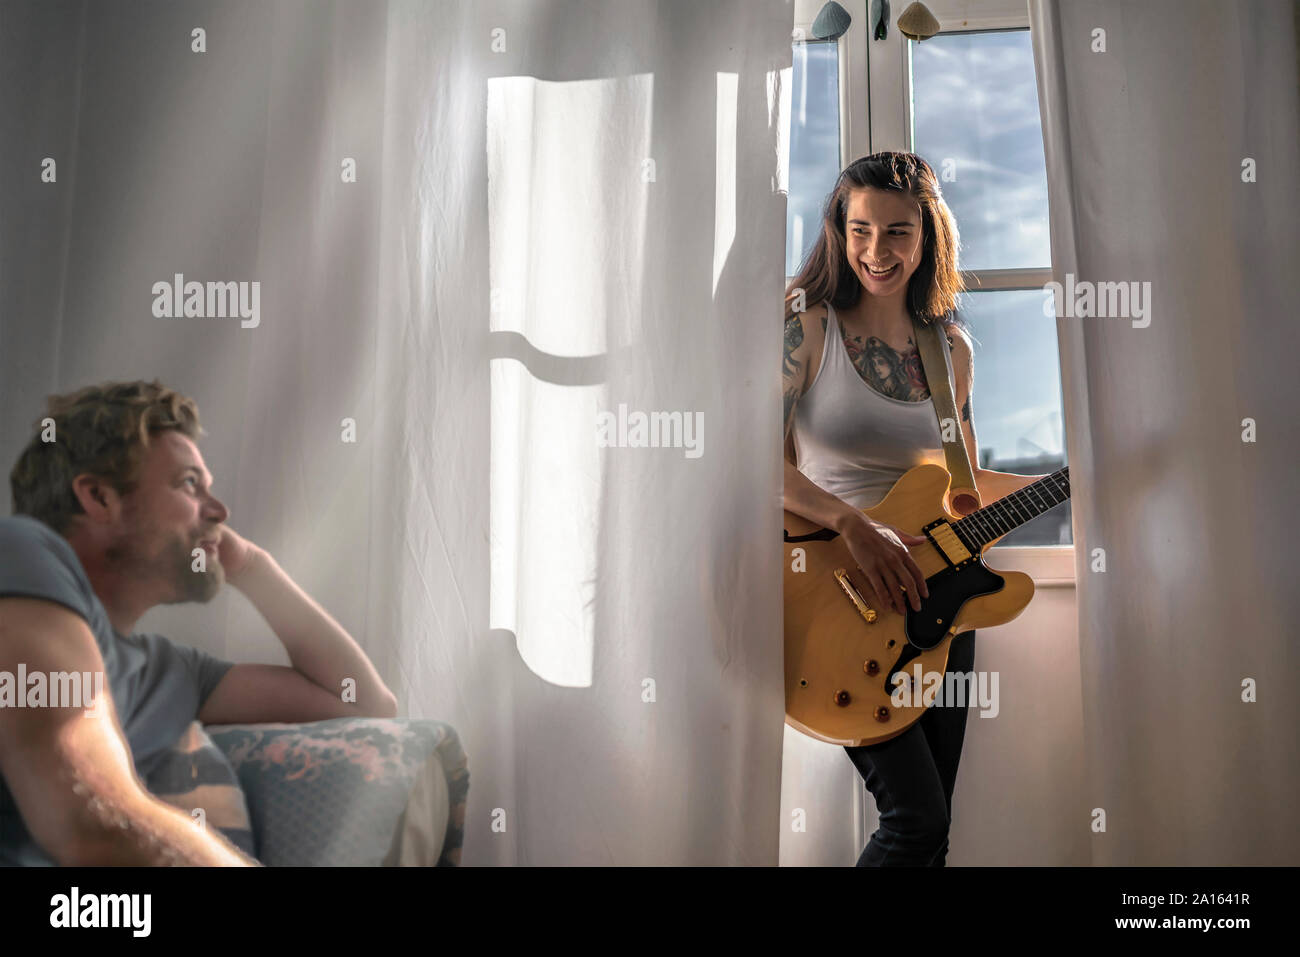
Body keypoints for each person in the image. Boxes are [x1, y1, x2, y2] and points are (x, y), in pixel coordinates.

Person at [0, 380, 398, 865]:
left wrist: (253, 568)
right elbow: (90, 822)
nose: (220, 512)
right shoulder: (19, 550)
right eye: (190, 484)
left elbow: (363, 703)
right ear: (100, 497)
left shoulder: (171, 671)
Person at [781, 152, 1050, 866]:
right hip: (835, 594)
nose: (876, 251)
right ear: (839, 230)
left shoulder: (949, 350)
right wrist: (851, 521)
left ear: (928, 235)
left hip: (939, 597)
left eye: (897, 232)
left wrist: (1074, 480)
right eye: (860, 228)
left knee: (935, 834)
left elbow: (960, 485)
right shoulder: (805, 328)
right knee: (916, 821)